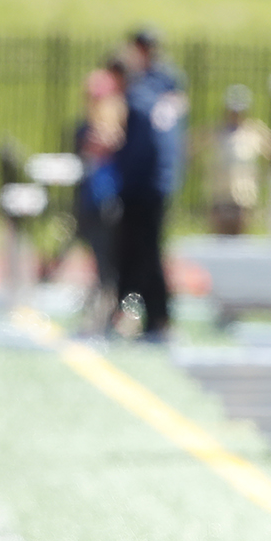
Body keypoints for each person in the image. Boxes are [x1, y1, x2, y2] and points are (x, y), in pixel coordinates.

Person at [111, 27, 187, 340]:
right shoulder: (142, 82)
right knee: (130, 251)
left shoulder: (155, 84)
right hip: (136, 179)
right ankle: (129, 313)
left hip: (149, 180)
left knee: (148, 252)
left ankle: (158, 317)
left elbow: (157, 129)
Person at [73, 60, 128, 329]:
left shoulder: (116, 129)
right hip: (91, 200)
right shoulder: (84, 129)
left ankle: (111, 309)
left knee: (108, 259)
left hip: (108, 200)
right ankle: (101, 306)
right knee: (96, 255)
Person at [205, 83, 271, 236]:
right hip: (219, 197)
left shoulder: (253, 133)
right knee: (219, 238)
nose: (235, 115)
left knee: (240, 240)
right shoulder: (217, 131)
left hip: (243, 199)